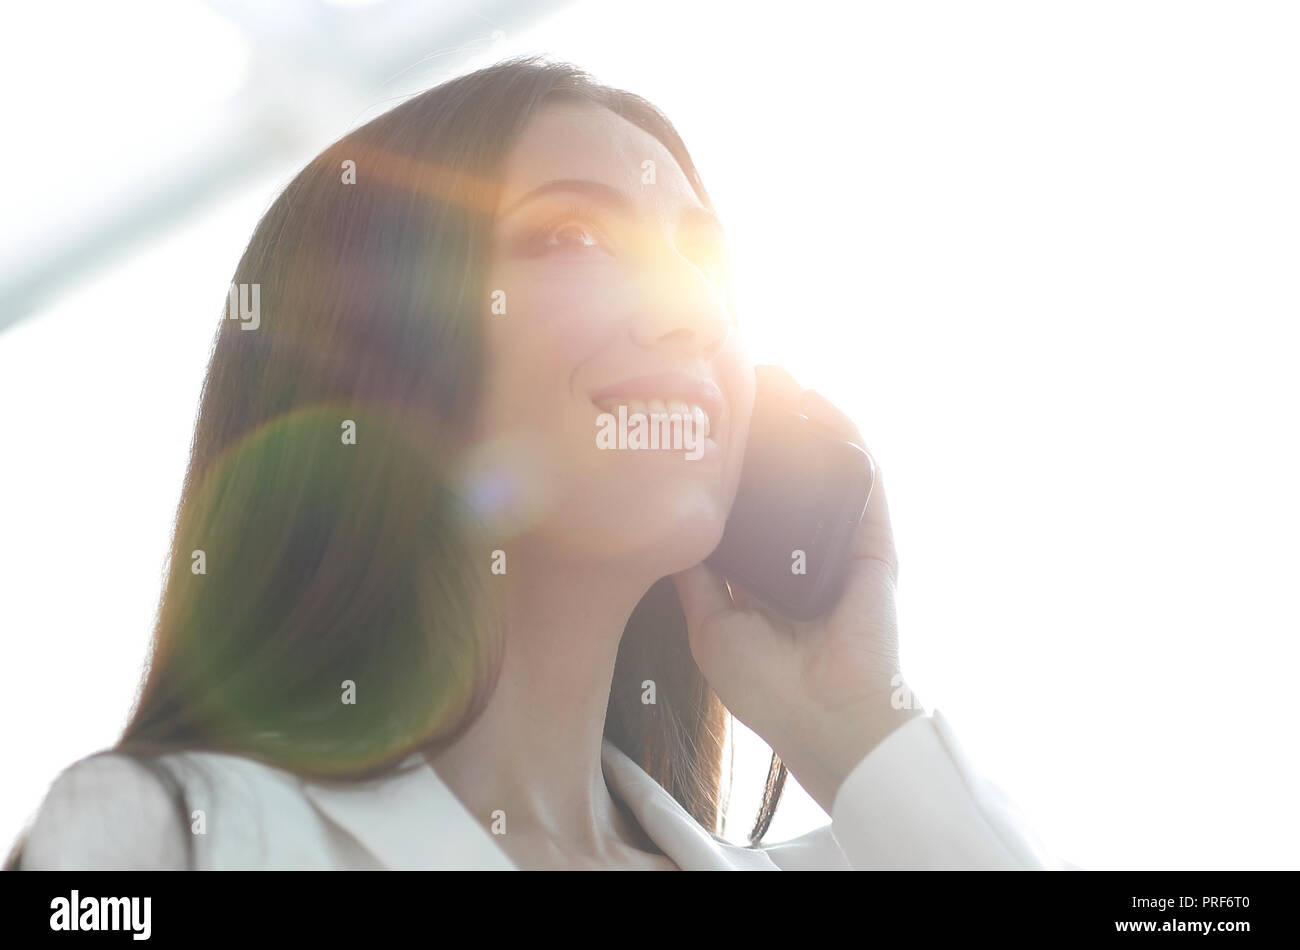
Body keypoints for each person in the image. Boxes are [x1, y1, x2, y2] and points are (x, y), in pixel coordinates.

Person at [8, 55, 1061, 871]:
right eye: (569, 238)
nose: (691, 307)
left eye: (702, 255)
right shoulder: (170, 837)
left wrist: (853, 718)